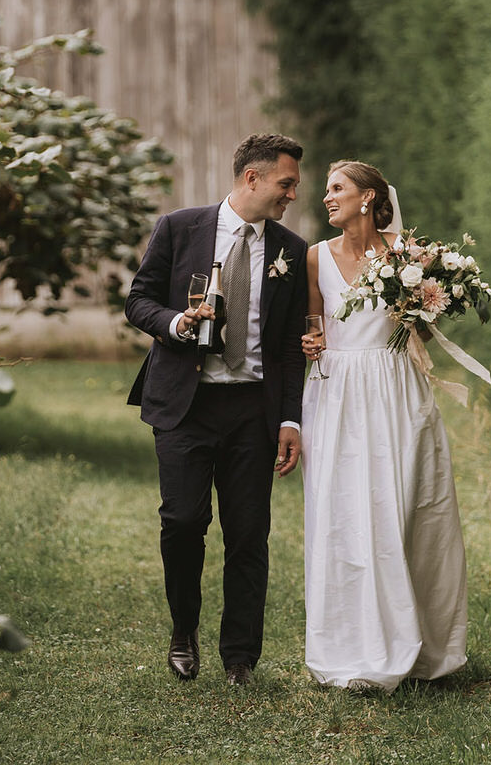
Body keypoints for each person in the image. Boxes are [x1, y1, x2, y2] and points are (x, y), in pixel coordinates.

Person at [124, 133, 310, 686]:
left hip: (253, 409)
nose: (292, 195)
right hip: (187, 404)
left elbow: (289, 346)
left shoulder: (291, 250)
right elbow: (139, 300)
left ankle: (240, 658)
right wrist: (176, 323)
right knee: (183, 522)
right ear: (252, 178)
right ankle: (184, 631)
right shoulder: (179, 228)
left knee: (248, 534)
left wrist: (290, 418)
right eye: (286, 184)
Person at [298, 159, 468, 691]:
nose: (327, 197)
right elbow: (313, 325)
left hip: (395, 389)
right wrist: (310, 341)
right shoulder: (314, 257)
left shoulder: (407, 256)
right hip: (336, 392)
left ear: (368, 197)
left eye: (337, 188)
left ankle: (419, 646)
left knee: (405, 508)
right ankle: (351, 646)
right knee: (342, 512)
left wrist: (423, 306)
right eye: (328, 190)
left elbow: (424, 326)